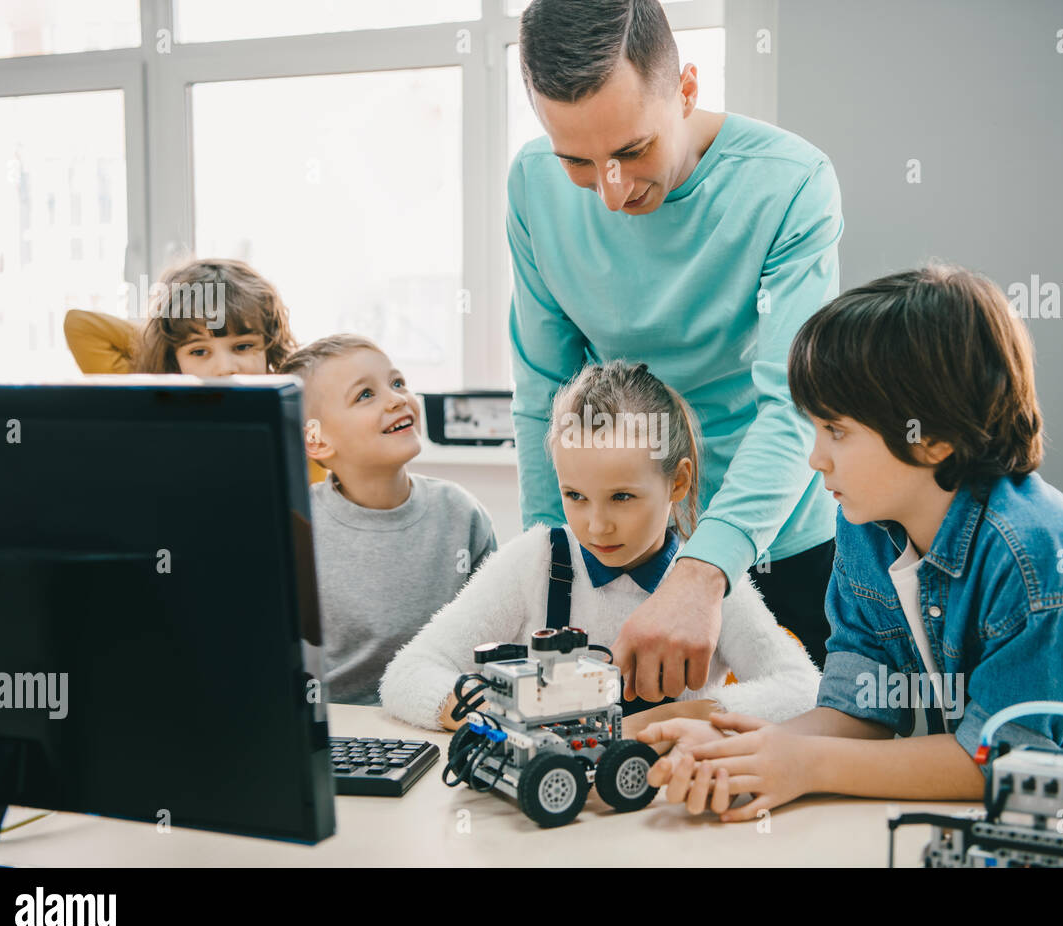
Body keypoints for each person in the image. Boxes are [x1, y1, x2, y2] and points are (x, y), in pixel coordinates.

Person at [640, 264, 1063, 821]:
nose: (815, 458)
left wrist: (806, 764)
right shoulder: (865, 526)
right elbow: (862, 709)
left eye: (836, 431)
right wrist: (745, 747)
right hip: (1029, 810)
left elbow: (1004, 761)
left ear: (931, 440)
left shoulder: (1038, 557)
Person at [509, 0, 844, 700]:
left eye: (632, 151)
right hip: (619, 543)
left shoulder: (791, 183)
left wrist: (702, 568)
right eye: (577, 159)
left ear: (686, 90)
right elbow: (545, 393)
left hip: (774, 544)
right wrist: (555, 560)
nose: (611, 190)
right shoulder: (531, 185)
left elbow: (794, 403)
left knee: (772, 766)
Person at [379, 361, 819, 732]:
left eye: (622, 497)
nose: (597, 526)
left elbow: (803, 689)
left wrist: (697, 714)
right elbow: (408, 673)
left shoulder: (705, 582)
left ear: (678, 482)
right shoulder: (531, 561)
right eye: (575, 496)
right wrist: (482, 712)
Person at [280, 334, 497, 705]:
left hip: (443, 719)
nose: (397, 399)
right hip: (338, 734)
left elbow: (495, 639)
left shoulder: (462, 513)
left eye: (397, 383)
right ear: (316, 441)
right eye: (365, 395)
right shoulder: (296, 529)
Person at [64, 257, 328, 483]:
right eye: (199, 351)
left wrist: (192, 334)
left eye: (243, 346)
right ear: (173, 357)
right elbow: (80, 326)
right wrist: (166, 333)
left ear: (269, 347)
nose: (225, 369)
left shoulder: (297, 427)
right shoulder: (156, 404)